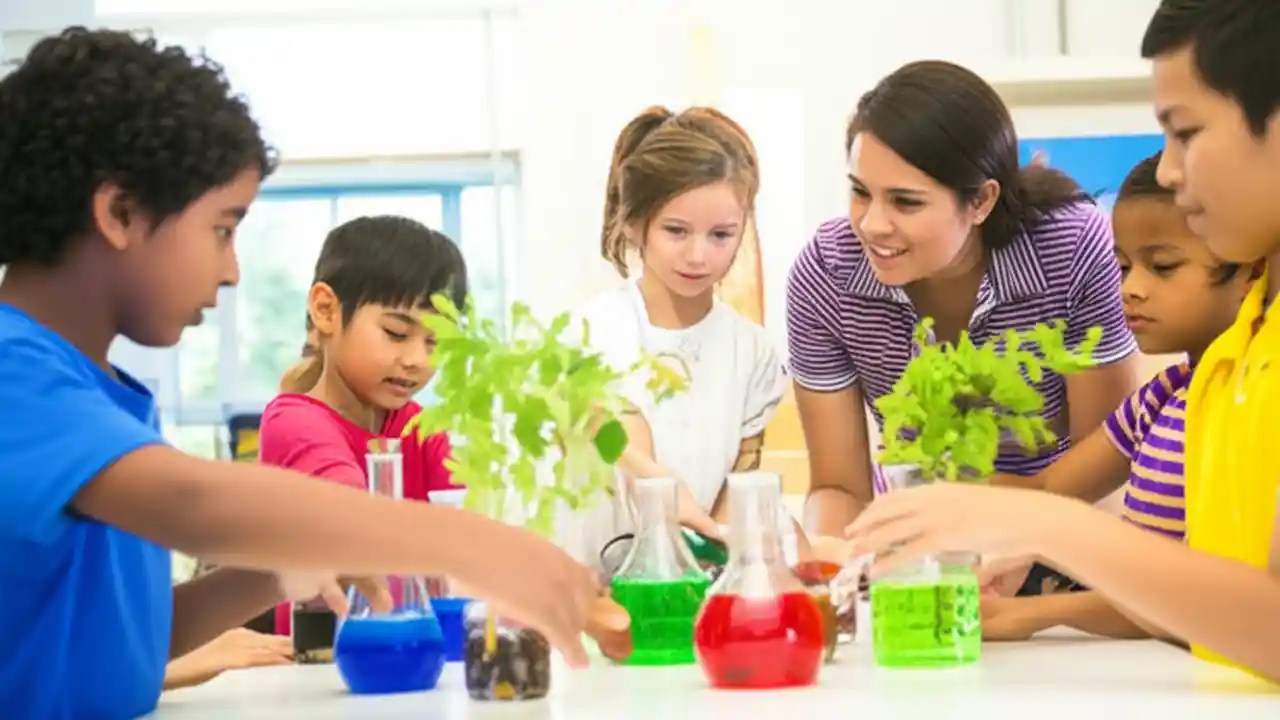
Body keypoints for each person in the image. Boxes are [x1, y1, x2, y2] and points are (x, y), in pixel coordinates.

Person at [0, 28, 596, 719]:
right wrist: (474, 544)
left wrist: (281, 572)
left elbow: (124, 642)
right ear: (120, 212)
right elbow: (194, 505)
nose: (232, 271)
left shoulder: (95, 393)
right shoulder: (14, 376)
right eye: (223, 230)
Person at [847, 0, 1280, 680]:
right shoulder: (1240, 348)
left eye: (1186, 133)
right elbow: (1232, 604)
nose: (1166, 170)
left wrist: (1042, 525)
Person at [786, 60, 1141, 594]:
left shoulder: (1070, 246)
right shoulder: (827, 275)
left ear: (981, 201)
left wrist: (1009, 535)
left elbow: (1103, 459)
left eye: (905, 201)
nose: (872, 224)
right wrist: (832, 563)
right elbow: (838, 486)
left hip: (1062, 541)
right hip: (911, 552)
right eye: (860, 191)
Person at [980, 152, 1255, 640]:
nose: (1132, 289)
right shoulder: (1162, 398)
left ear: (1250, 272)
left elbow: (1192, 594)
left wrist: (1040, 612)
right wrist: (941, 499)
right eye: (1124, 266)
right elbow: (1047, 492)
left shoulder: (1245, 405)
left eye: (1163, 267)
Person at [577, 106, 789, 546]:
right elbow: (610, 435)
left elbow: (738, 487)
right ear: (635, 224)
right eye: (676, 231)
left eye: (721, 235)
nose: (698, 256)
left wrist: (718, 549)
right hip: (597, 582)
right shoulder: (593, 332)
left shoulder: (751, 353)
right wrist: (660, 488)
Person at [258, 216, 463, 635]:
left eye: (434, 342)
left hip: (412, 652)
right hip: (322, 669)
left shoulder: (420, 428)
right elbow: (352, 520)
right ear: (326, 311)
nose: (417, 360)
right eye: (395, 332)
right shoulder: (293, 422)